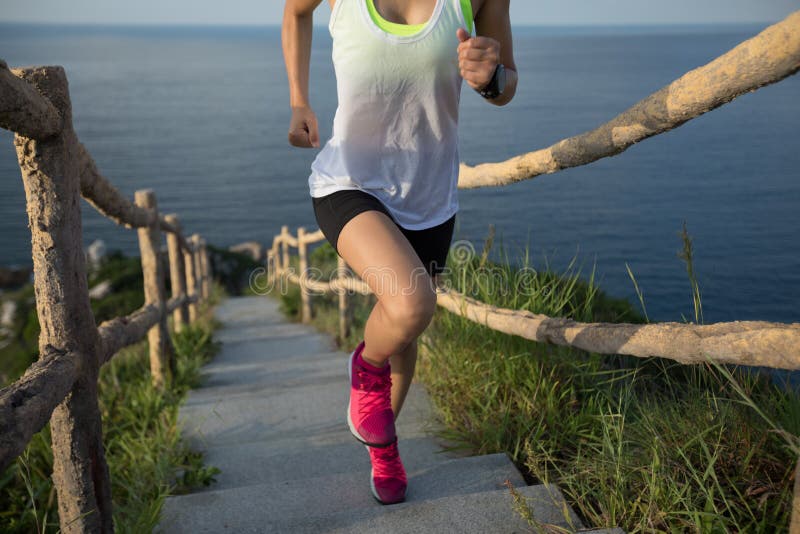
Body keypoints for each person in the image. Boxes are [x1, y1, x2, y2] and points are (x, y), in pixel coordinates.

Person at [282, 0, 517, 505]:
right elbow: (295, 12)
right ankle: (366, 368)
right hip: (349, 181)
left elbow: (506, 85)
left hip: (429, 197)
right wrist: (299, 102)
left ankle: (383, 449)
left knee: (405, 332)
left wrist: (490, 76)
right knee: (411, 305)